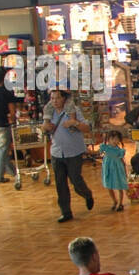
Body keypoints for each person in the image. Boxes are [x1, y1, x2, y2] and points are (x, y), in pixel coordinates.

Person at [43, 89, 95, 223]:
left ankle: (87, 194)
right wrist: (45, 127)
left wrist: (75, 123)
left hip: (73, 152)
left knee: (76, 179)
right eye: (52, 98)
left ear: (64, 99)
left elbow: (87, 128)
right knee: (60, 184)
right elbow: (44, 127)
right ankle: (66, 212)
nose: (54, 101)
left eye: (57, 98)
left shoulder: (73, 110)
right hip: (56, 153)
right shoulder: (49, 112)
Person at [99, 129, 128, 212]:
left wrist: (125, 171)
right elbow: (98, 152)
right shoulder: (105, 147)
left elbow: (122, 161)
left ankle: (120, 203)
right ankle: (114, 201)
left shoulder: (120, 151)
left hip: (117, 169)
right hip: (108, 168)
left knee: (119, 186)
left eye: (117, 139)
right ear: (108, 139)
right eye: (113, 139)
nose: (115, 141)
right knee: (109, 186)